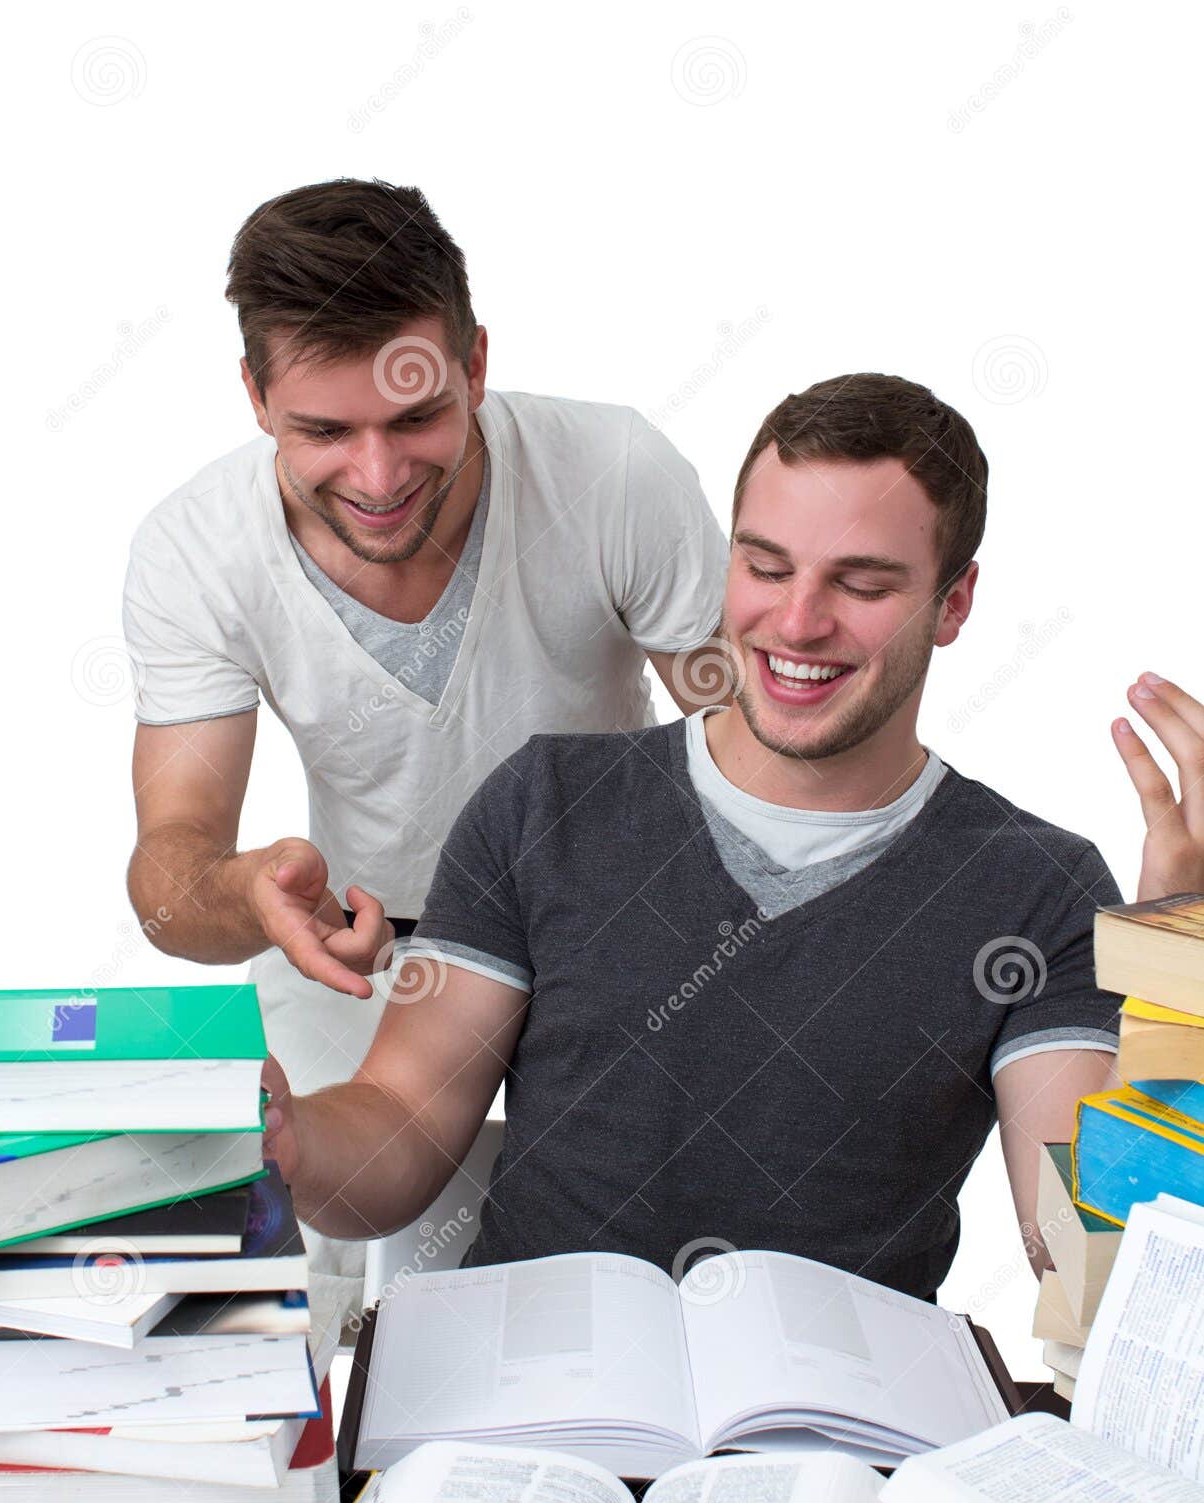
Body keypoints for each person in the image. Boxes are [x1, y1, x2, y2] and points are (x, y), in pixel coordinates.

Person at [260, 371, 1204, 1302]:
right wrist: (290, 1136)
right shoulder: (545, 805)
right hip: (535, 1409)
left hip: (847, 1438)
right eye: (764, 567)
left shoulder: (1036, 887)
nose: (796, 622)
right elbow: (397, 1129)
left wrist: (1180, 962)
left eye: (861, 584)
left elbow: (1087, 1262)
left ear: (952, 604)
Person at [121, 180, 729, 1295]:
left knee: (623, 1280)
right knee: (311, 1278)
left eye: (414, 417)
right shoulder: (194, 553)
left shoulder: (616, 476)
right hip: (356, 955)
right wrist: (248, 891)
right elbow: (169, 874)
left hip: (609, 937)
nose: (380, 474)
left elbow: (750, 745)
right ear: (254, 398)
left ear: (474, 366)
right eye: (324, 430)